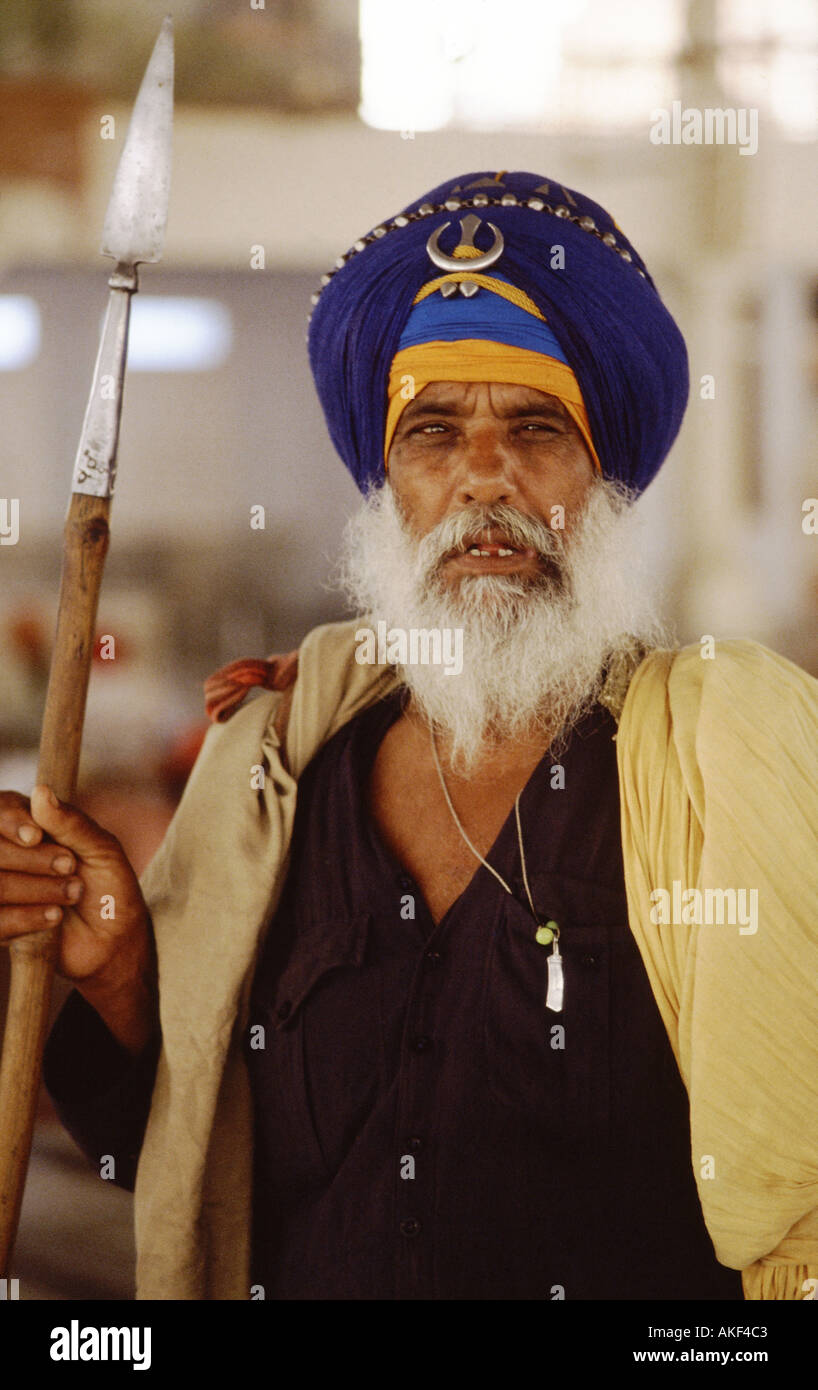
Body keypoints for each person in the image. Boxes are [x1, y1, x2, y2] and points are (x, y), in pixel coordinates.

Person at [1, 170, 816, 1301]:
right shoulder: (284, 772)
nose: (485, 475)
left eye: (536, 428)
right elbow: (193, 1173)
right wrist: (126, 977)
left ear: (603, 474)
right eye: (433, 432)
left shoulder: (714, 771)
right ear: (387, 484)